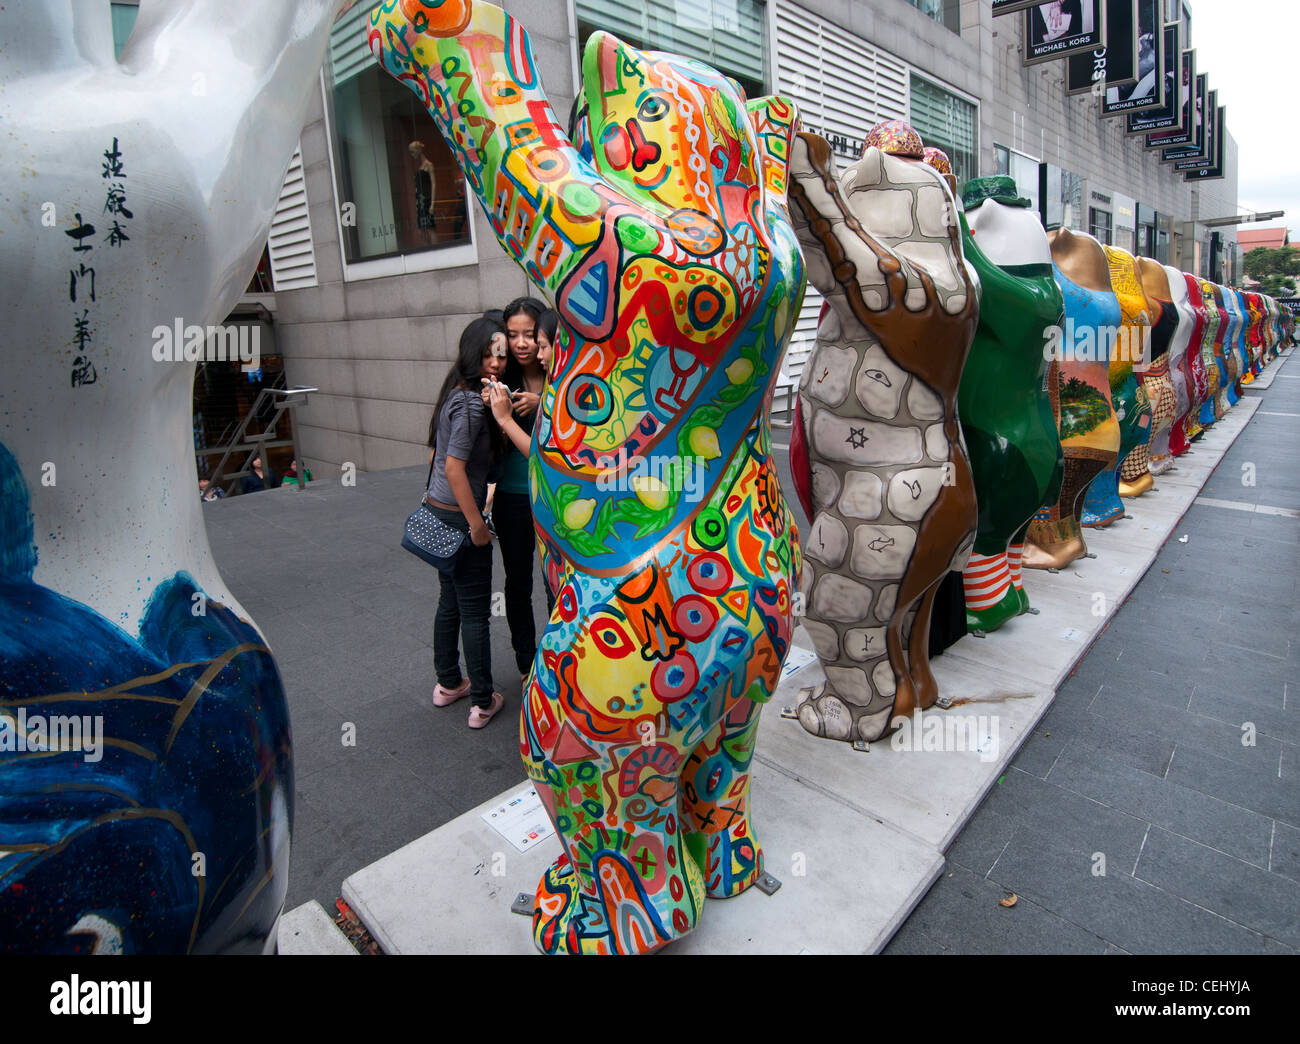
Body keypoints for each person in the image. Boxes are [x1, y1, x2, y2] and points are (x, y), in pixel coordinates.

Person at [427, 316, 509, 727]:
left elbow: (435, 458)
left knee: (450, 602)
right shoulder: (473, 405)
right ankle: (481, 701)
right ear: (471, 350)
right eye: (488, 353)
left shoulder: (453, 393)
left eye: (501, 355)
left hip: (438, 511)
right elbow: (455, 467)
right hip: (460, 519)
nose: (495, 362)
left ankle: (447, 684)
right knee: (475, 612)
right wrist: (478, 524)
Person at [494, 296, 551, 673]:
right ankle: (526, 661)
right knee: (517, 580)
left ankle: (557, 654)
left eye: (529, 334)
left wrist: (543, 400)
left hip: (549, 496)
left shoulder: (559, 372)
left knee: (554, 580)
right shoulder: (500, 378)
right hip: (511, 496)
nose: (521, 343)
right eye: (512, 335)